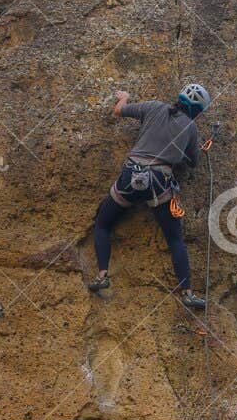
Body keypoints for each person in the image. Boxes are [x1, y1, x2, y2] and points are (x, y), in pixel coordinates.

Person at [88, 83, 211, 308]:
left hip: (130, 176)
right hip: (159, 182)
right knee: (175, 239)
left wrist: (124, 97)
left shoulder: (154, 107)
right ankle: (187, 293)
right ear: (198, 111)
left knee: (103, 225)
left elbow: (118, 111)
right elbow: (193, 162)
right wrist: (189, 148)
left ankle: (102, 276)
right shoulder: (191, 129)